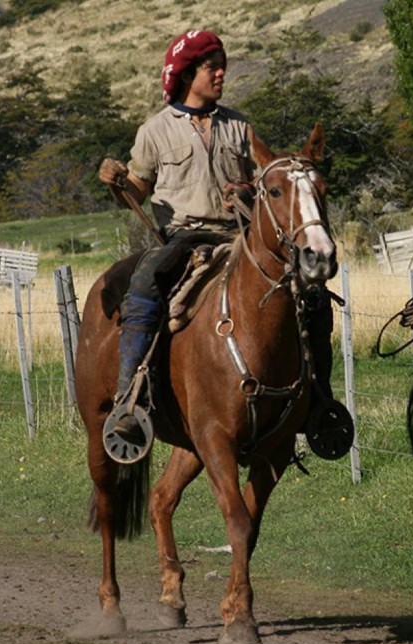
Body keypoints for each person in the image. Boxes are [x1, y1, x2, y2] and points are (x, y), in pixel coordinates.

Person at [97, 30, 347, 448]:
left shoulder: (239, 126)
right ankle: (130, 399)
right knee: (143, 287)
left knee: (315, 299)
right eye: (212, 68)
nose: (220, 74)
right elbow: (135, 193)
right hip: (183, 238)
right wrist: (115, 180)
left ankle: (319, 402)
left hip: (238, 236)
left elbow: (264, 182)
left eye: (221, 67)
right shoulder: (155, 131)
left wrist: (244, 191)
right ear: (186, 74)